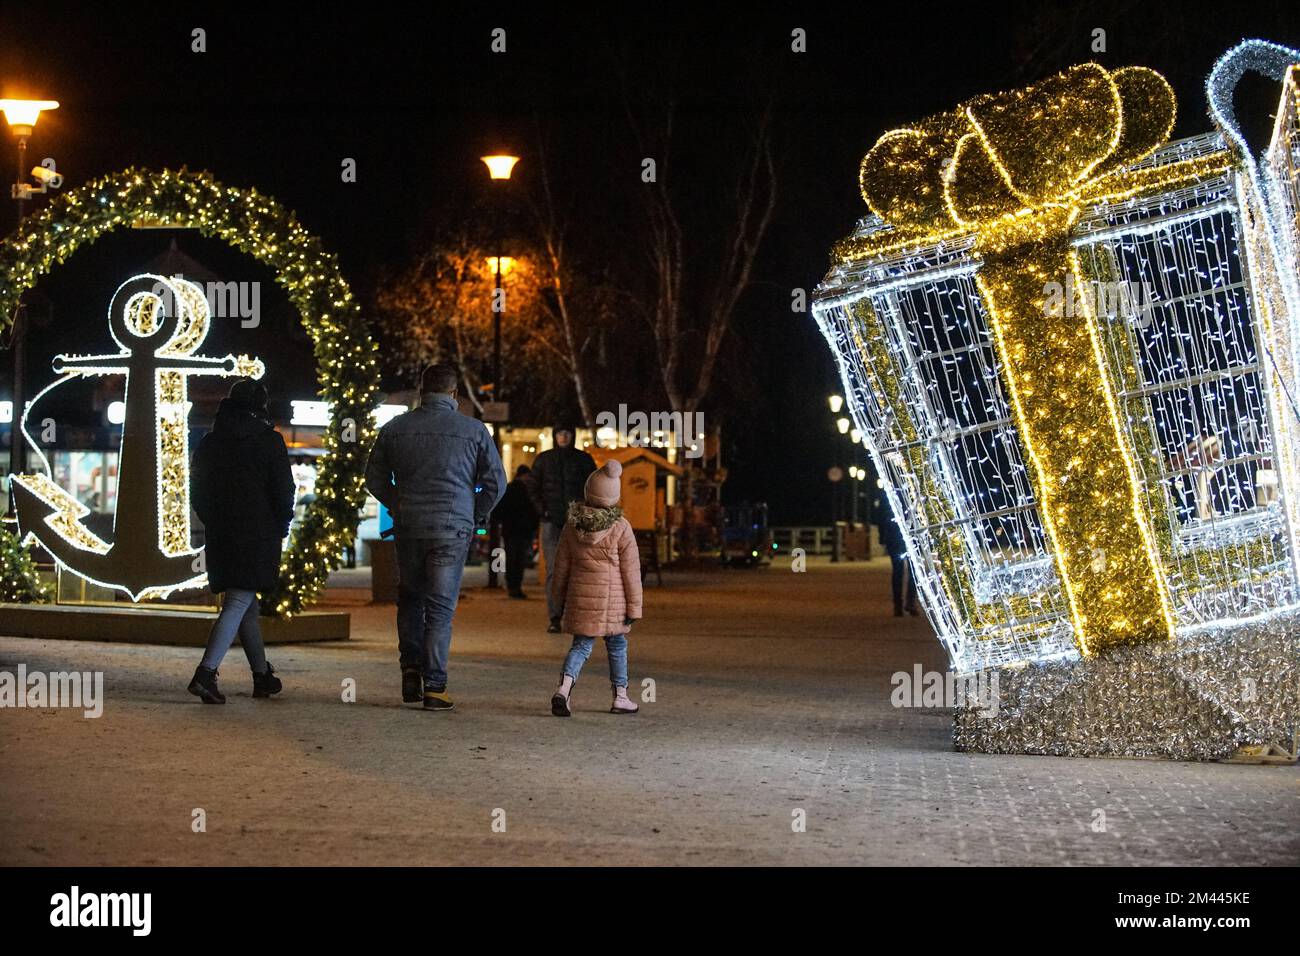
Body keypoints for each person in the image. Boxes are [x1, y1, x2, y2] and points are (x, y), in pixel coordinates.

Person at [365, 363, 505, 711]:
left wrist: (397, 503)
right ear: (455, 394)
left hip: (410, 526)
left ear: (421, 390)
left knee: (410, 599)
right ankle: (436, 687)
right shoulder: (473, 431)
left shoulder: (395, 428)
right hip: (451, 529)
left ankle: (410, 669)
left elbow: (374, 478)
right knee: (440, 609)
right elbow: (496, 484)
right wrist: (473, 513)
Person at [188, 378, 295, 704]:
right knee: (238, 601)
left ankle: (262, 676)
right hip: (258, 534)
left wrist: (213, 520)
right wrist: (281, 523)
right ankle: (205, 674)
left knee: (244, 602)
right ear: (261, 407)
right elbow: (283, 490)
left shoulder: (210, 443)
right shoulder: (270, 442)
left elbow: (198, 492)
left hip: (221, 532)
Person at [548, 459, 643, 716]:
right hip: (614, 602)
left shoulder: (572, 526)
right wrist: (634, 607)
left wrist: (556, 602)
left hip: (581, 599)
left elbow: (561, 568)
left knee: (580, 646)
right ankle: (620, 696)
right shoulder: (621, 528)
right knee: (617, 645)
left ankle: (564, 690)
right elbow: (631, 571)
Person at [530, 423, 596, 632]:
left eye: (567, 432)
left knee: (578, 569)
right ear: (554, 435)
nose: (564, 436)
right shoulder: (544, 460)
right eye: (560, 433)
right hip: (552, 521)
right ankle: (555, 616)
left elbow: (594, 487)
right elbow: (533, 488)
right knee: (554, 570)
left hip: (576, 522)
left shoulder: (582, 460)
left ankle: (573, 614)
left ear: (573, 435)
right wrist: (543, 511)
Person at [493, 464, 539, 599]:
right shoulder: (528, 491)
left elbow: (499, 510)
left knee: (512, 560)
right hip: (523, 531)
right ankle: (516, 587)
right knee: (520, 560)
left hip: (510, 530)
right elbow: (533, 511)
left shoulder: (508, 489)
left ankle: (512, 587)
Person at [873, 491, 918, 617]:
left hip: (895, 537)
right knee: (912, 572)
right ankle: (909, 603)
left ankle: (899, 605)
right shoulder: (911, 492)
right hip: (909, 537)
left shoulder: (887, 494)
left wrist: (882, 537)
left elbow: (881, 517)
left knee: (899, 572)